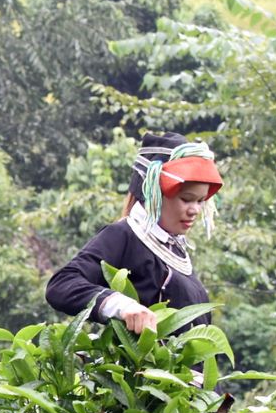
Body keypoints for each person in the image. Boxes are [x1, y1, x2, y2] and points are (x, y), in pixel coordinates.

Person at [46, 132, 223, 332]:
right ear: (154, 193)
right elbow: (61, 285)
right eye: (186, 199)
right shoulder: (125, 236)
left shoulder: (177, 253)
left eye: (200, 201)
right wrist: (122, 307)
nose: (195, 211)